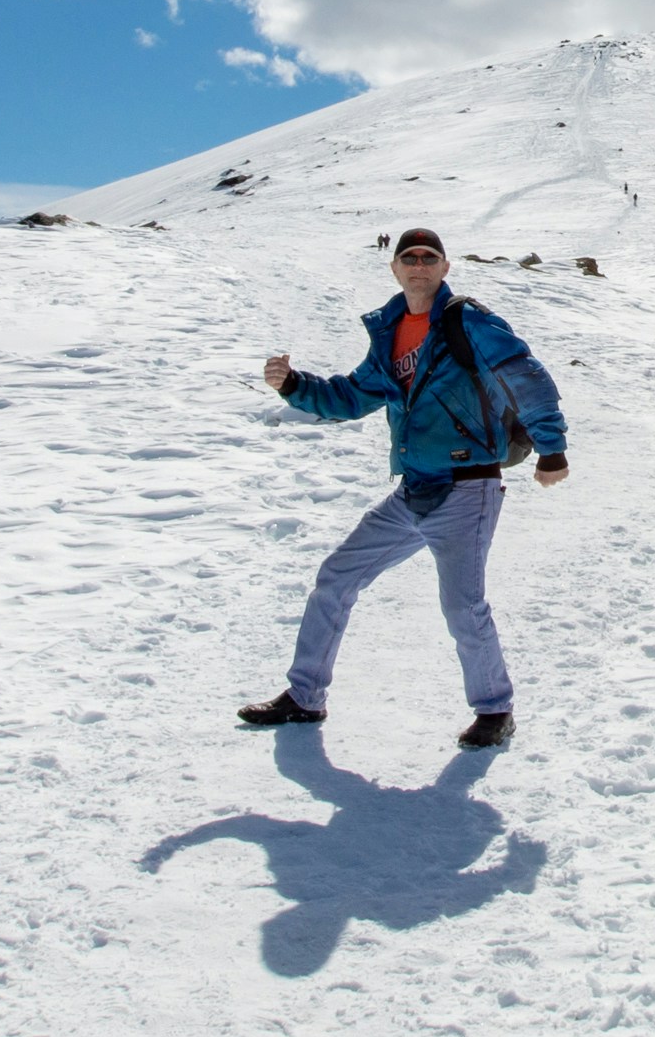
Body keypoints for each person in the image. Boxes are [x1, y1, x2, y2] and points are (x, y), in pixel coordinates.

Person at [241, 226, 570, 748]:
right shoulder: (390, 333)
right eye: (409, 257)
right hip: (413, 490)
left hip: (468, 488)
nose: (418, 264)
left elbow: (525, 375)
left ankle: (494, 709)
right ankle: (305, 697)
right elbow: (353, 396)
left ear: (443, 268)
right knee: (336, 578)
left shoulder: (469, 320)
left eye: (429, 257)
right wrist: (296, 386)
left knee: (463, 606)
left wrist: (552, 449)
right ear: (394, 267)